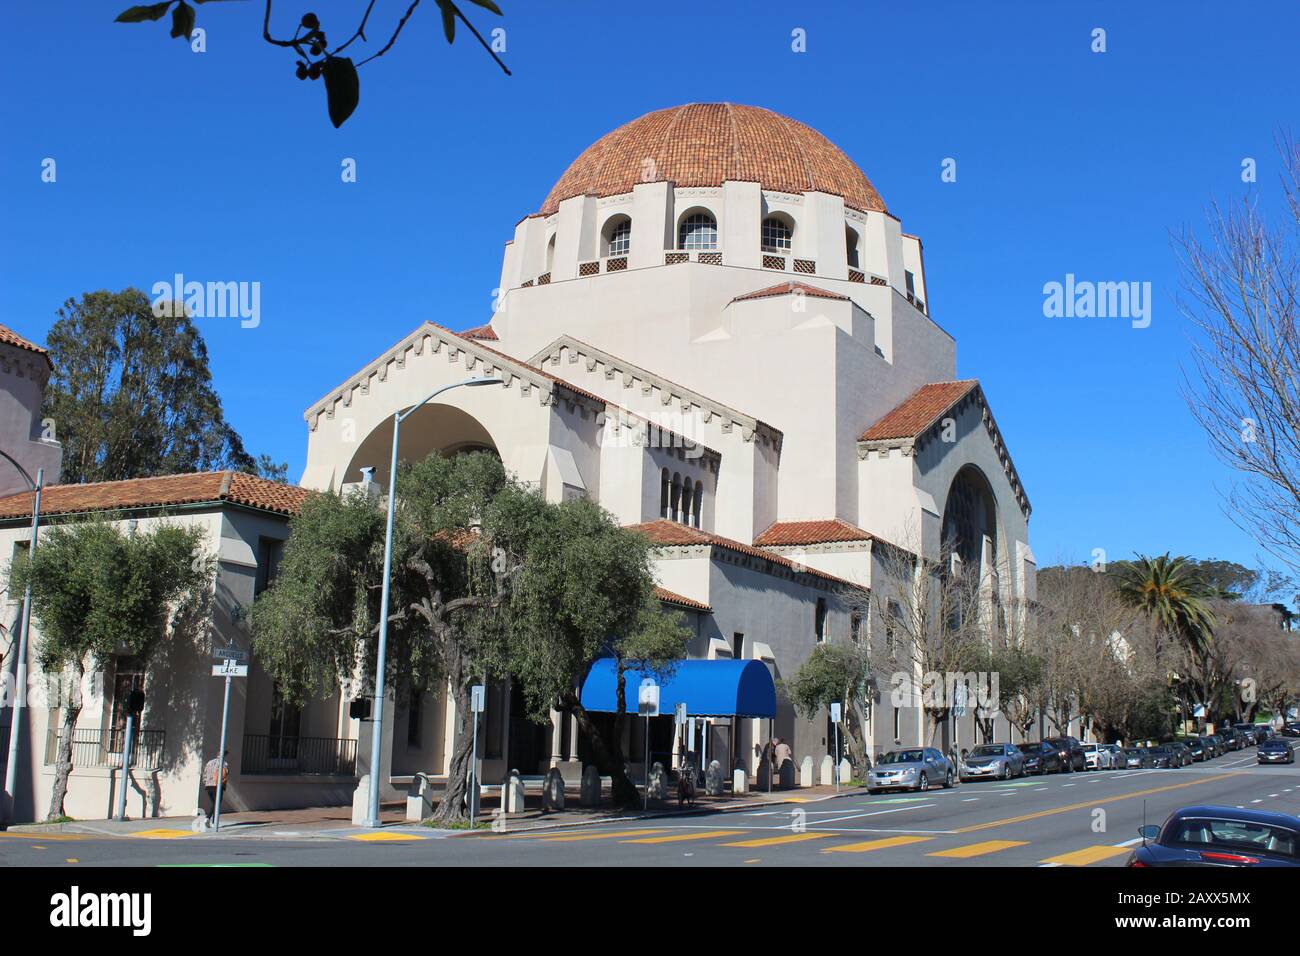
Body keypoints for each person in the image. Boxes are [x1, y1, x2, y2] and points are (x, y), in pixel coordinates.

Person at [202, 750, 230, 815]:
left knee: (214, 804)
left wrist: (206, 782)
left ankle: (214, 821)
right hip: (217, 786)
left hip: (208, 786)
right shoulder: (224, 763)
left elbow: (204, 774)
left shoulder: (209, 762)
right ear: (224, 755)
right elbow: (225, 774)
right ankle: (208, 818)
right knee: (217, 804)